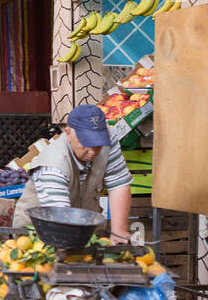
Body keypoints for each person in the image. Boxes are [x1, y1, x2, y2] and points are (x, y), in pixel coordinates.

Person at [11, 103, 133, 244]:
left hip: (82, 231)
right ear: (68, 133)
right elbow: (61, 221)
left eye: (97, 144)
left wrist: (119, 231)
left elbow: (119, 184)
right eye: (86, 143)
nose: (92, 151)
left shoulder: (108, 139)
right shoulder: (53, 166)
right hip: (39, 236)